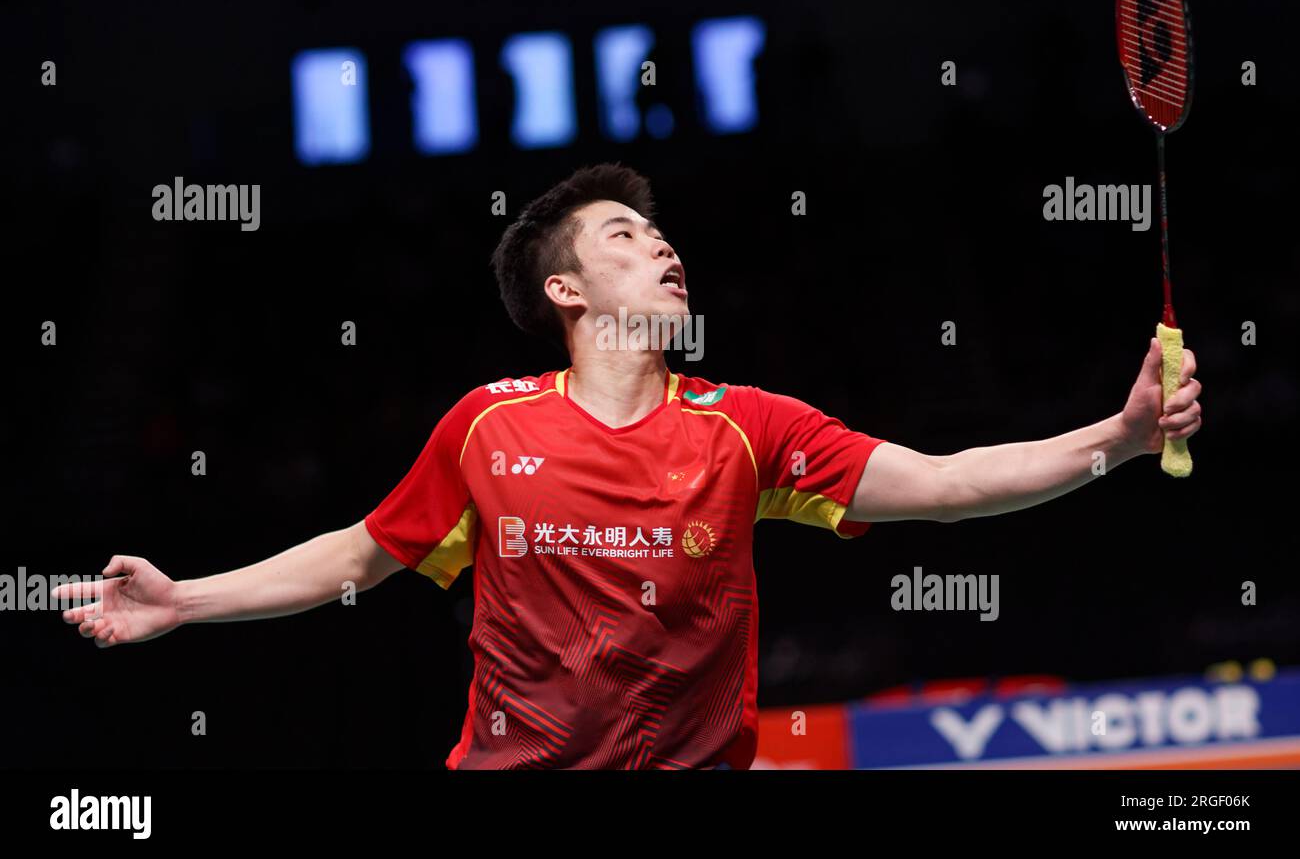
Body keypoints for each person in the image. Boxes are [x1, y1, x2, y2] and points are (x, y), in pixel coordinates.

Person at [56, 163, 1203, 769]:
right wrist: (186, 600)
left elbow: (948, 482)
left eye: (660, 236)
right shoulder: (486, 429)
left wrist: (1113, 434)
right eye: (623, 236)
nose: (662, 246)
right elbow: (360, 552)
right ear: (564, 293)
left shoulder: (748, 424)